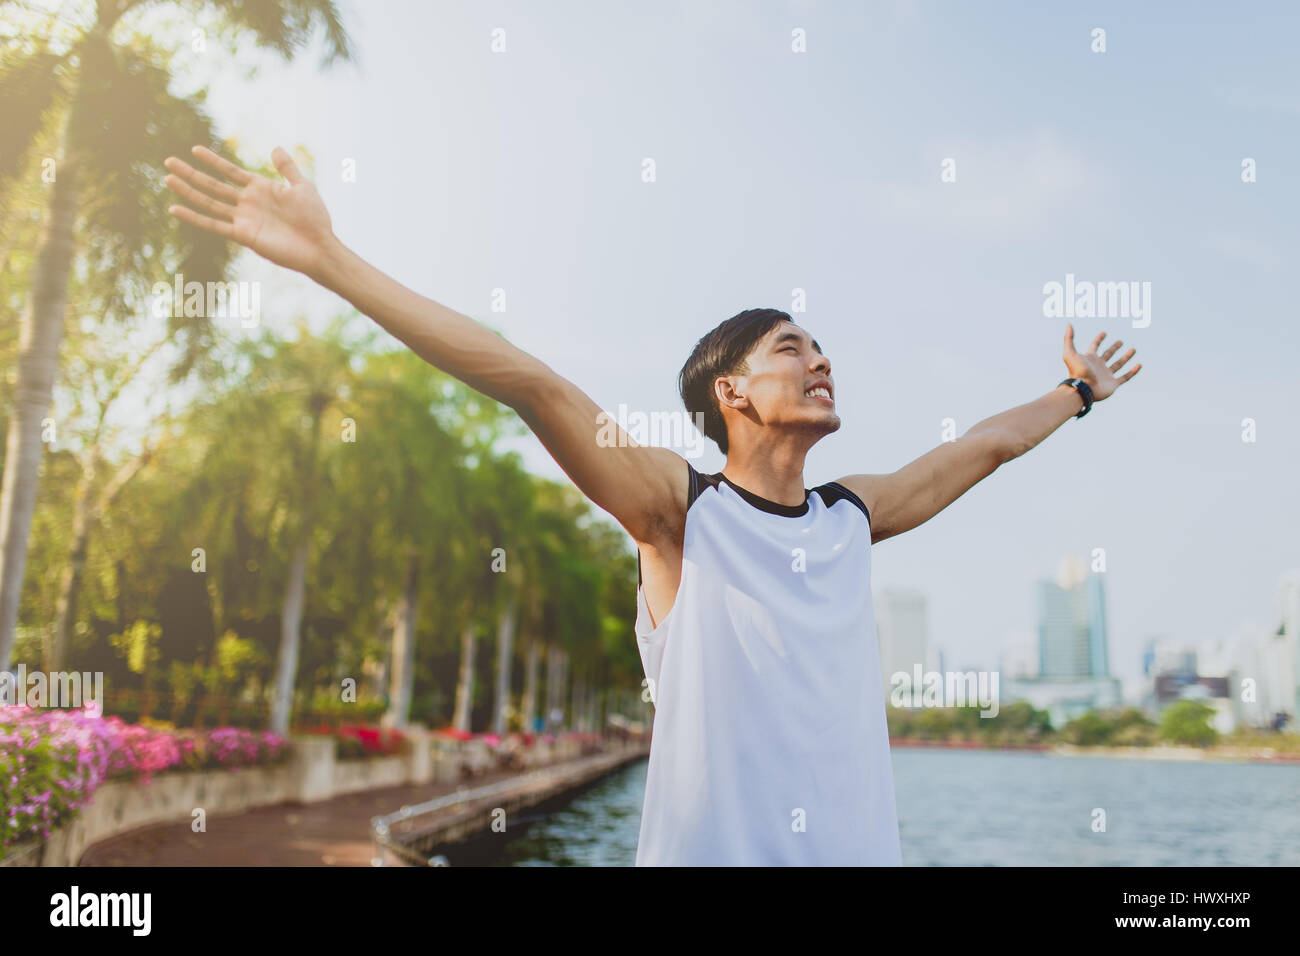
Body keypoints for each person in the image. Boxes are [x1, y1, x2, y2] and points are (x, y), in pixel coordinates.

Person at [162, 146, 1142, 866]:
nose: (821, 359)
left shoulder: (852, 516)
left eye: (820, 346)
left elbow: (984, 445)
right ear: (731, 392)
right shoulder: (679, 514)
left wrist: (1077, 393)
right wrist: (332, 259)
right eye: (791, 348)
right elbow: (532, 384)